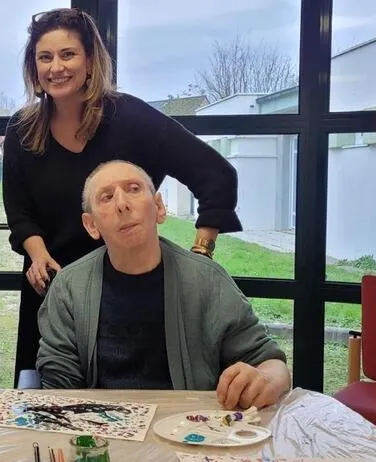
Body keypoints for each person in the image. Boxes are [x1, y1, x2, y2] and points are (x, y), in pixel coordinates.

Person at [2, 8, 243, 378]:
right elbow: (19, 213)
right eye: (45, 57)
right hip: (53, 287)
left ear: (89, 61)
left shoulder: (131, 118)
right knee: (49, 406)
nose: (56, 67)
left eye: (68, 54)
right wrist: (37, 255)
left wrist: (201, 253)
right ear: (33, 68)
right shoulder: (22, 130)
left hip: (131, 288)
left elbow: (216, 174)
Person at [36, 160, 289, 409]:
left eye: (134, 189)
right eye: (107, 197)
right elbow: (60, 389)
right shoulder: (69, 288)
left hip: (189, 431)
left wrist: (264, 380)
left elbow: (271, 364)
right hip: (102, 435)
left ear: (159, 207)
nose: (122, 204)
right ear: (91, 225)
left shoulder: (208, 280)